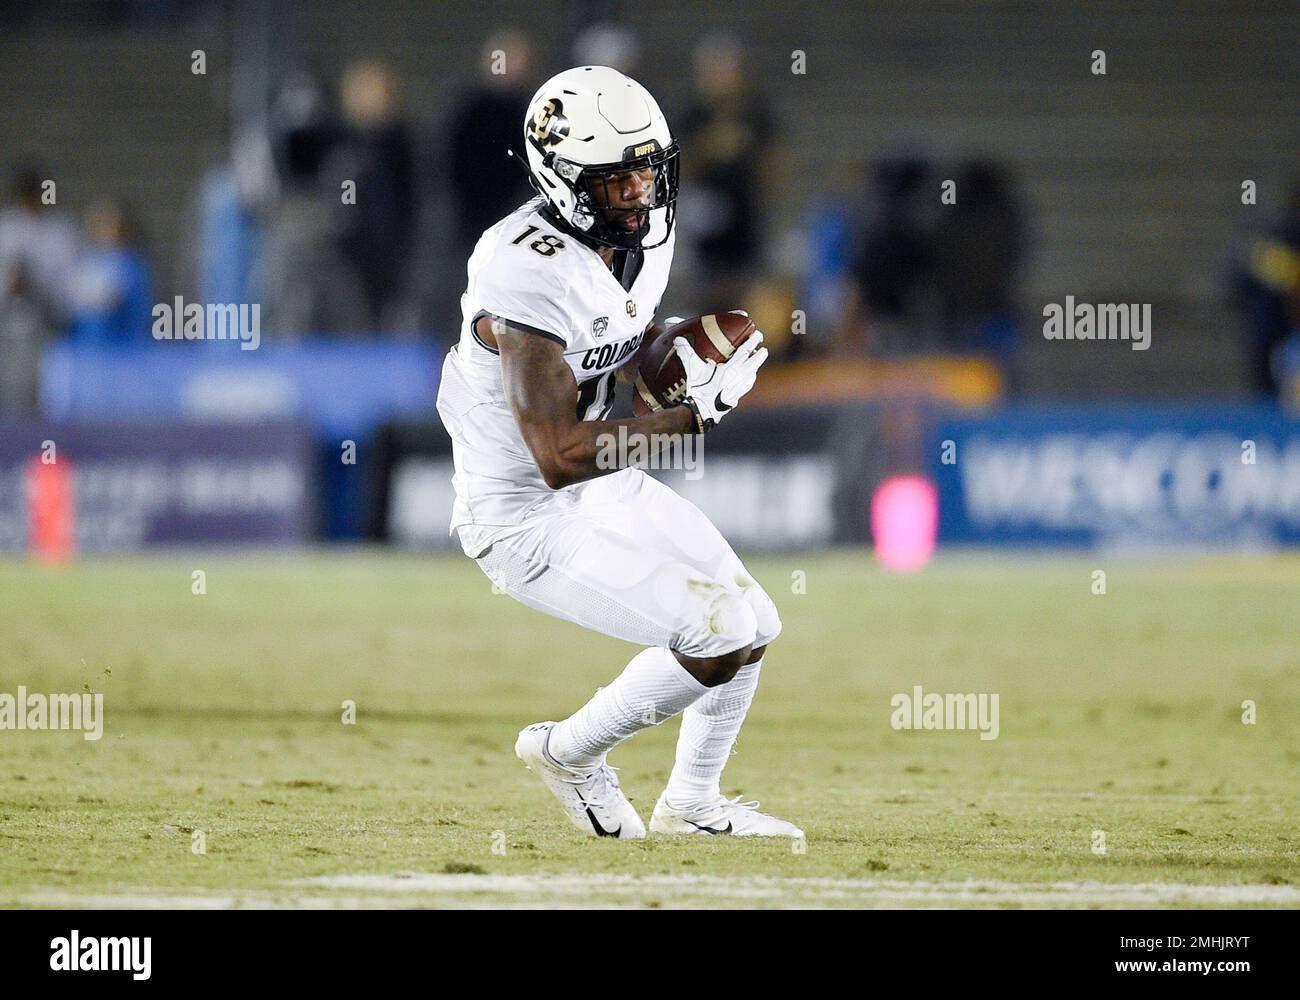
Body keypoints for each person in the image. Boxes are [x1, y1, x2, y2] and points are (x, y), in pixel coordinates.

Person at [435, 66, 802, 839]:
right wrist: (693, 417)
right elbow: (560, 454)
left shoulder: (643, 237)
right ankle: (566, 753)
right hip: (523, 514)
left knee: (753, 621)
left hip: (603, 482)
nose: (641, 194)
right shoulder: (522, 270)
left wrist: (679, 359)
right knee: (716, 632)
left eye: (649, 172)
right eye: (620, 182)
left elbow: (621, 346)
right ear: (564, 181)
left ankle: (692, 803)